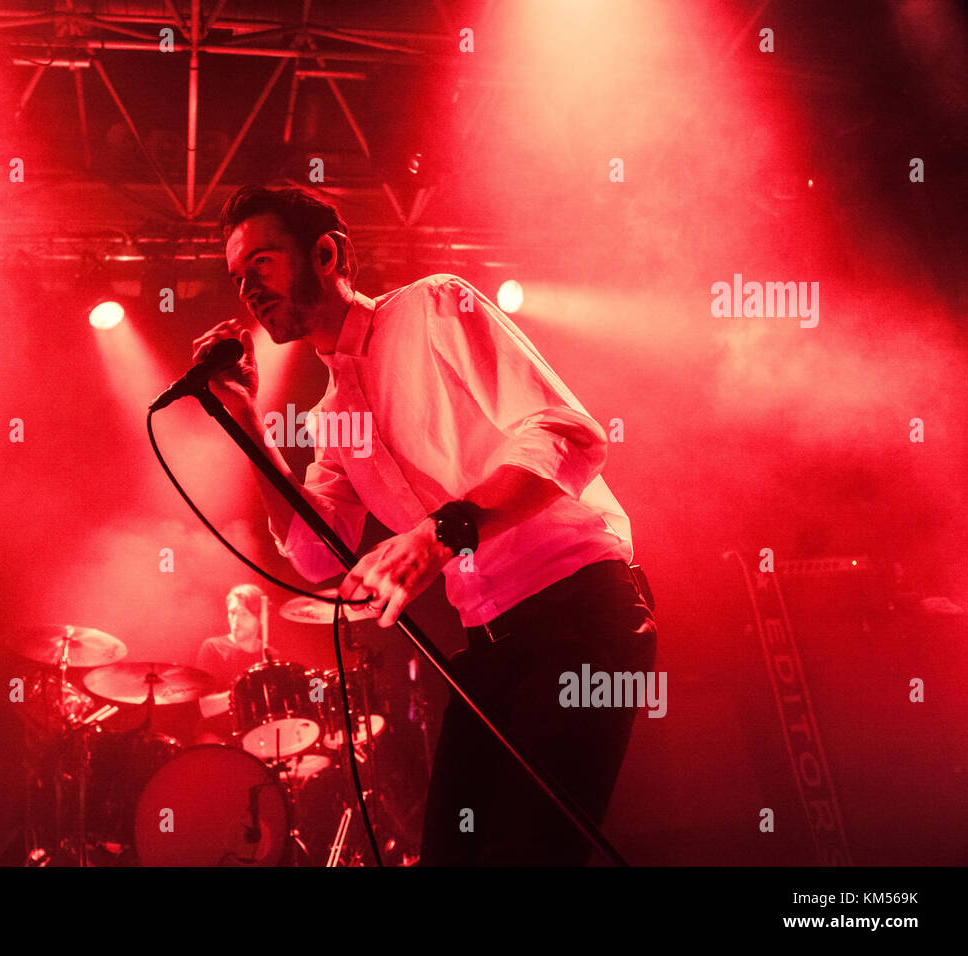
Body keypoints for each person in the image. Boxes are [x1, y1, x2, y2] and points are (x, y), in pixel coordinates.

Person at [191, 184, 657, 865]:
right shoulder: (331, 417)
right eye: (237, 277)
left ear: (326, 253)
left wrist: (445, 530)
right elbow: (318, 556)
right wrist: (246, 423)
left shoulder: (435, 306)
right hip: (490, 647)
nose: (248, 288)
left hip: (578, 613)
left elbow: (569, 433)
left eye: (262, 262)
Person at [194, 584, 267, 743]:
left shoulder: (269, 655)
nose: (236, 620)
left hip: (257, 737)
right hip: (218, 735)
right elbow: (206, 708)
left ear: (260, 618)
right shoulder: (213, 647)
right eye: (232, 612)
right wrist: (244, 692)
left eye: (244, 614)